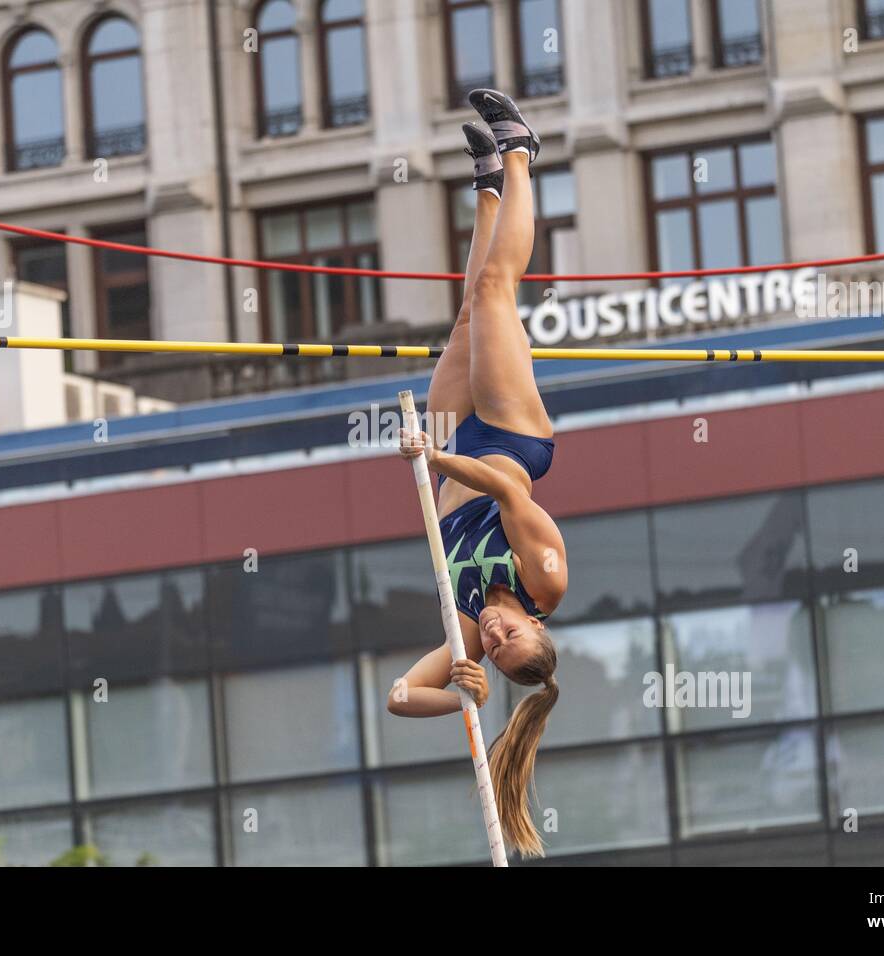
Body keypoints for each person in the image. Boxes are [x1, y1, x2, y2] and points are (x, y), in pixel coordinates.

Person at [390, 90, 567, 858]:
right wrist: (433, 460)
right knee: (499, 292)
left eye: (494, 648)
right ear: (536, 623)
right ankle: (523, 147)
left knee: (467, 311)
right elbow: (507, 492)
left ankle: (489, 180)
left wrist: (456, 693)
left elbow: (401, 696)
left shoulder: (465, 624)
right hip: (506, 438)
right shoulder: (545, 581)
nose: (492, 636)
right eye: (508, 638)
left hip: (447, 444)